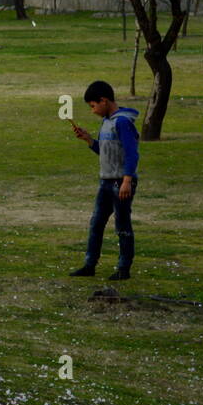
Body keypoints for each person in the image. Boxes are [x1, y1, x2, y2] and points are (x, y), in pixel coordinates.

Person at [69, 80, 140, 281]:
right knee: (96, 223)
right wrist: (88, 140)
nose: (92, 111)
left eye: (93, 106)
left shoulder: (123, 122)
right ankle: (90, 264)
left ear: (104, 100)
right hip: (106, 182)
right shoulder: (107, 122)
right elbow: (105, 151)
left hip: (120, 183)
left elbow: (132, 154)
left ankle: (124, 268)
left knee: (122, 226)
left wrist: (127, 180)